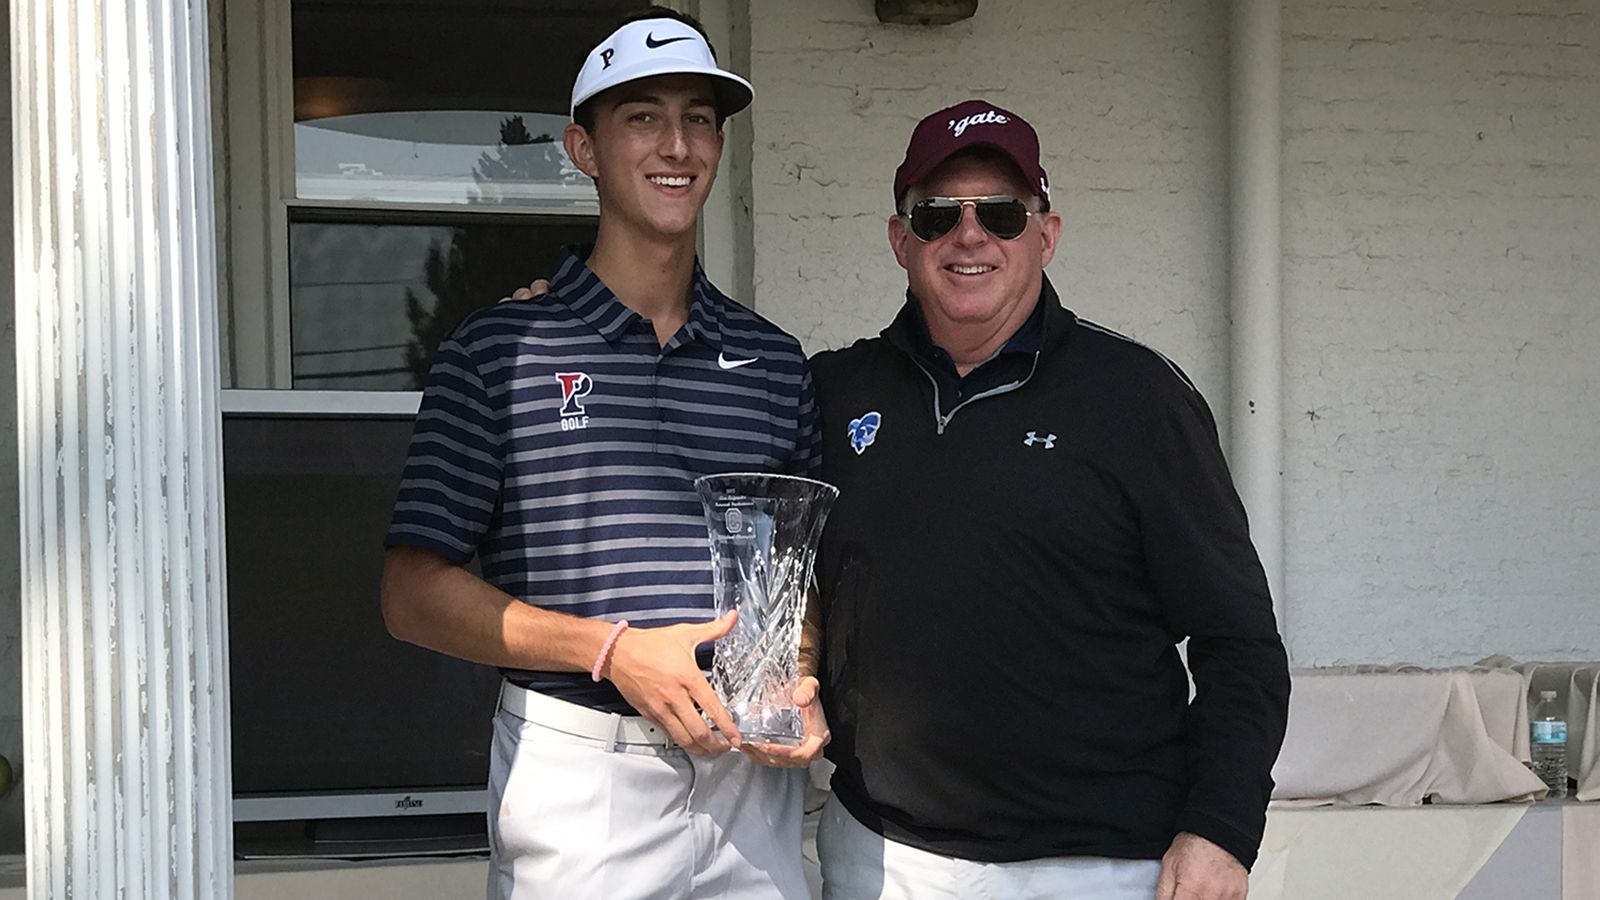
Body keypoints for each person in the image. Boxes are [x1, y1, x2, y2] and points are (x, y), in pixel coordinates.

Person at [381, 9, 826, 899]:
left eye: (699, 117)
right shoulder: (498, 348)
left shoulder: (774, 361)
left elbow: (797, 577)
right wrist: (613, 650)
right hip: (584, 775)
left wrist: (800, 674)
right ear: (583, 149)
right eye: (643, 118)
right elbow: (411, 594)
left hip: (753, 783)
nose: (678, 144)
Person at [803, 100, 1291, 900]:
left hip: (1097, 867)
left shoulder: (1138, 401)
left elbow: (1239, 642)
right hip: (881, 859)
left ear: (1046, 234)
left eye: (1000, 212)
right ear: (900, 241)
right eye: (937, 216)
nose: (970, 236)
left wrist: (1222, 829)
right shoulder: (833, 391)